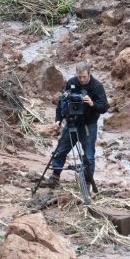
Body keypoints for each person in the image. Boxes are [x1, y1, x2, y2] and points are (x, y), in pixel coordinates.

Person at [41, 62, 109, 190]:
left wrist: (92, 103)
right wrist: (58, 119)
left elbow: (104, 107)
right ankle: (54, 178)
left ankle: (86, 186)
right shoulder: (72, 82)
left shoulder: (97, 86)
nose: (81, 79)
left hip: (88, 124)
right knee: (60, 151)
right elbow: (62, 102)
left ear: (89, 73)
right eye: (79, 77)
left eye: (84, 77)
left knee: (89, 156)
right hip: (72, 122)